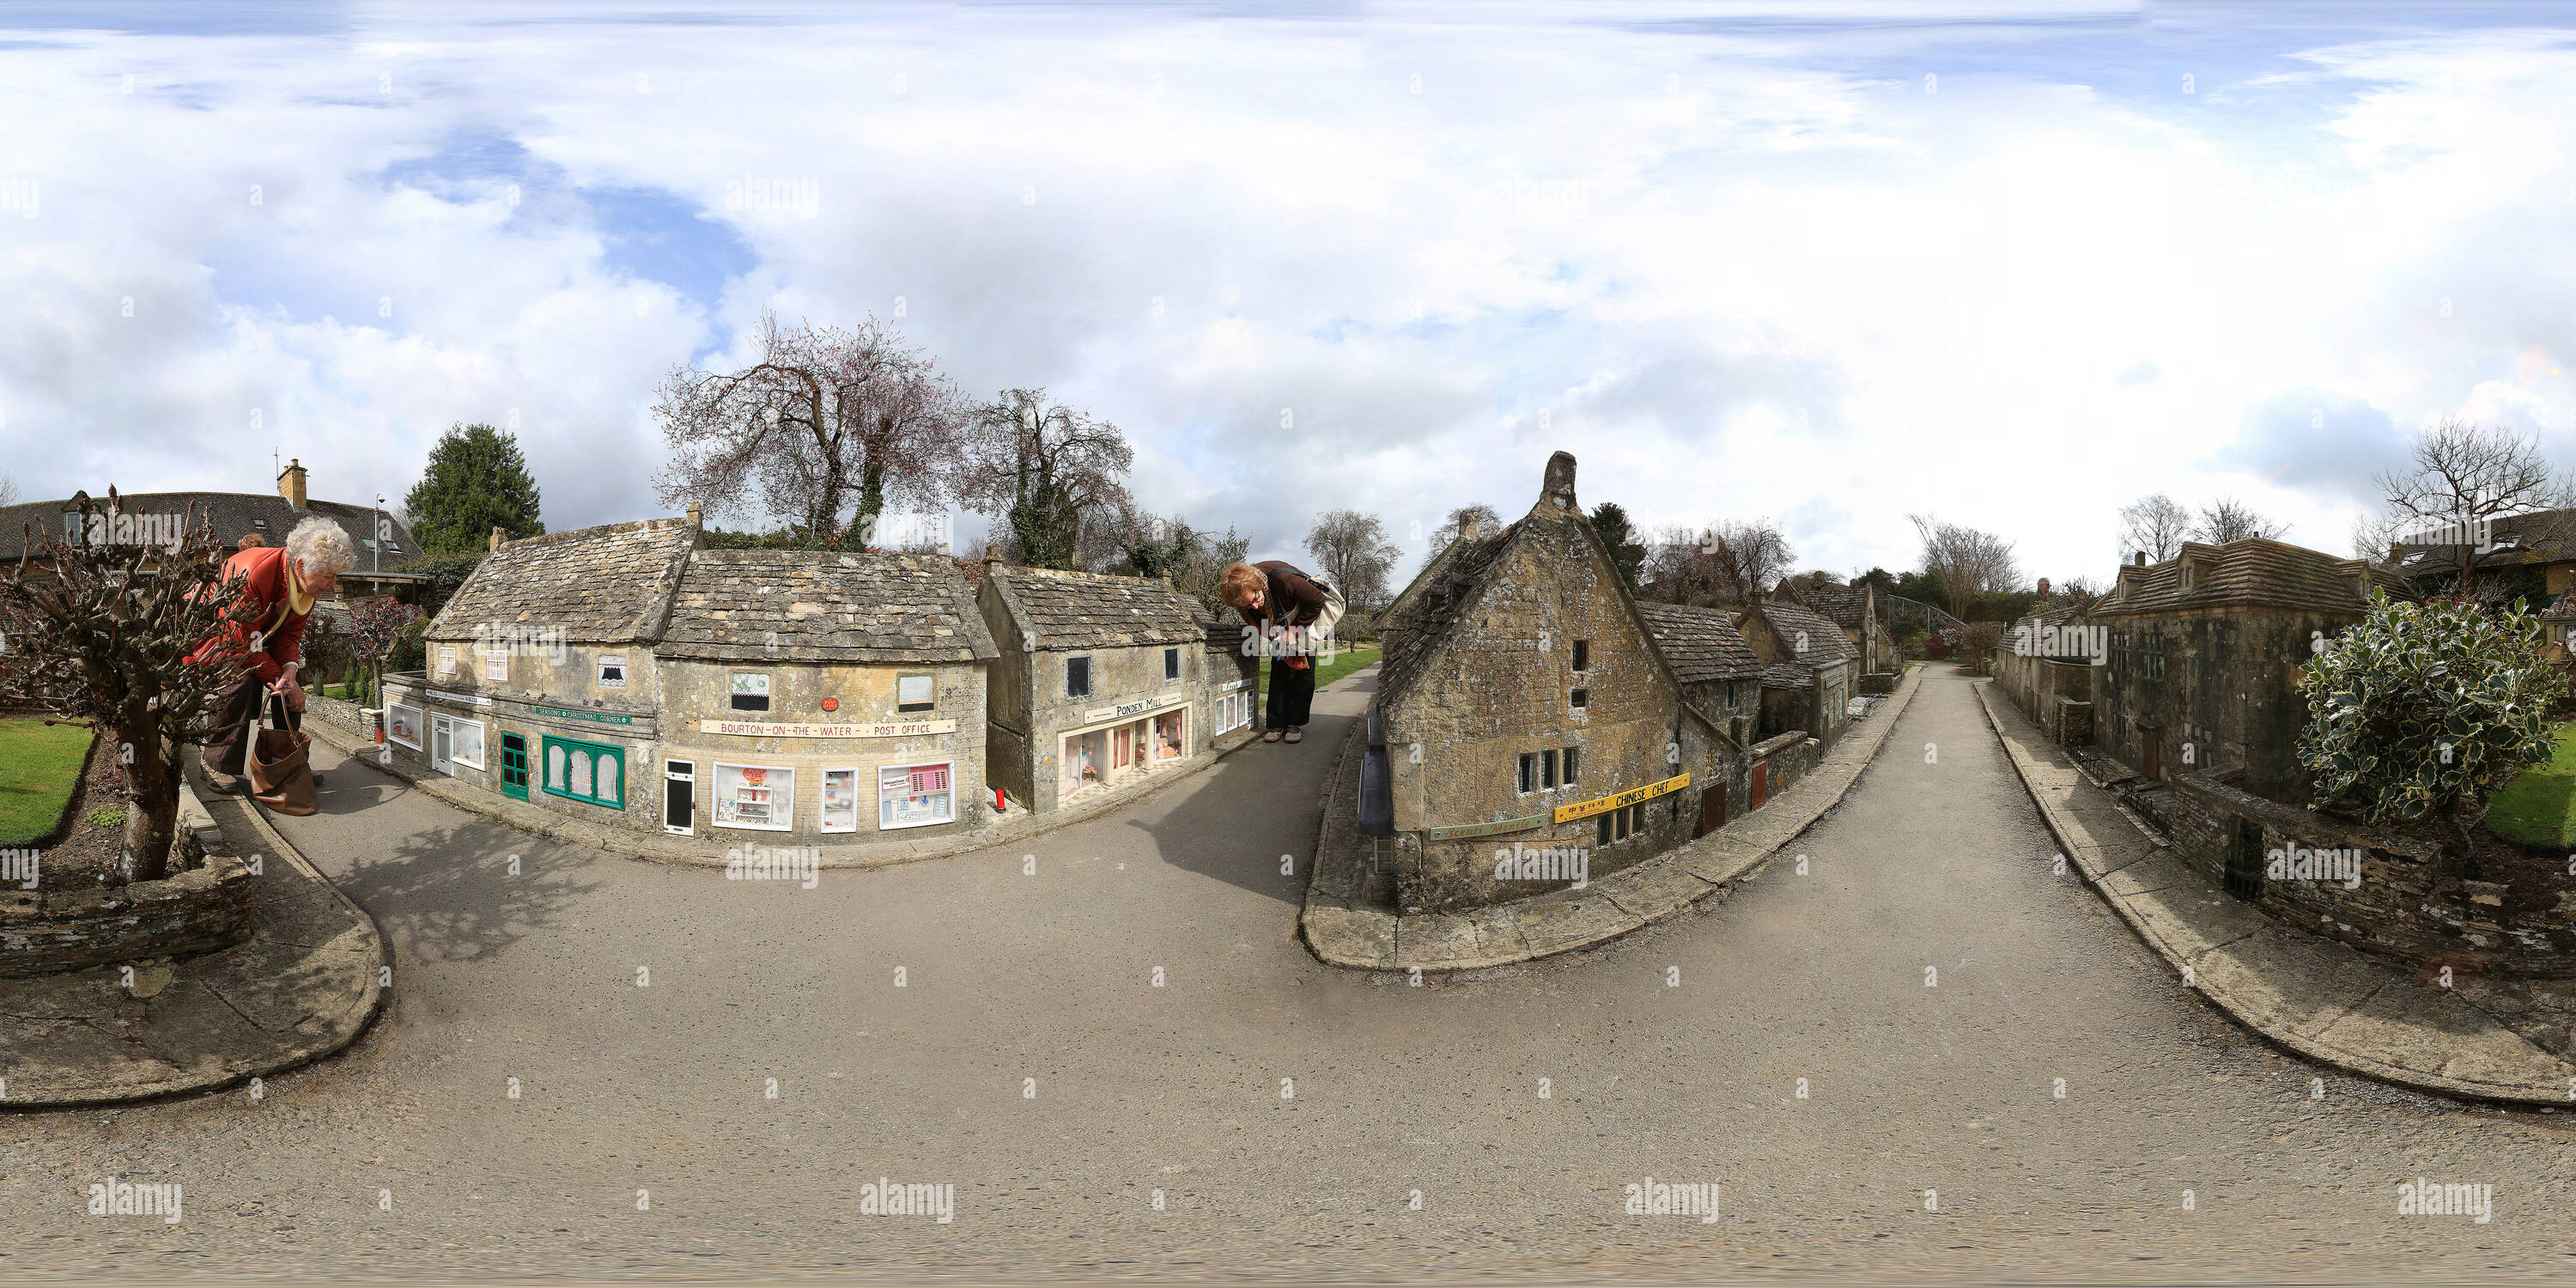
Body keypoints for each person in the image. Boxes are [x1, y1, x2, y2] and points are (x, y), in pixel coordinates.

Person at [193, 515, 359, 785]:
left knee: (290, 685)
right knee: (243, 682)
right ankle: (217, 762)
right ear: (302, 565)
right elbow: (240, 640)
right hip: (217, 639)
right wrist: (280, 679)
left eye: (335, 576)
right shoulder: (255, 572)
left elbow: (289, 636)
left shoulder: (307, 587)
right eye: (328, 575)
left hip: (251, 639)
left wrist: (290, 671)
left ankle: (286, 763)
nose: (332, 583)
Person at [1218, 560, 1345, 744]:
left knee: (1303, 673)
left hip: (1304, 623)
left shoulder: (1283, 581)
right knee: (1279, 672)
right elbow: (1256, 619)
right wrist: (1276, 639)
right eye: (1246, 605)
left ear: (1257, 585)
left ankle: (1295, 723)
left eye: (1254, 600)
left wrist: (1294, 631)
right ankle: (1276, 724)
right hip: (1278, 628)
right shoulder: (1242, 595)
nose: (1253, 606)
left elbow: (1317, 600)